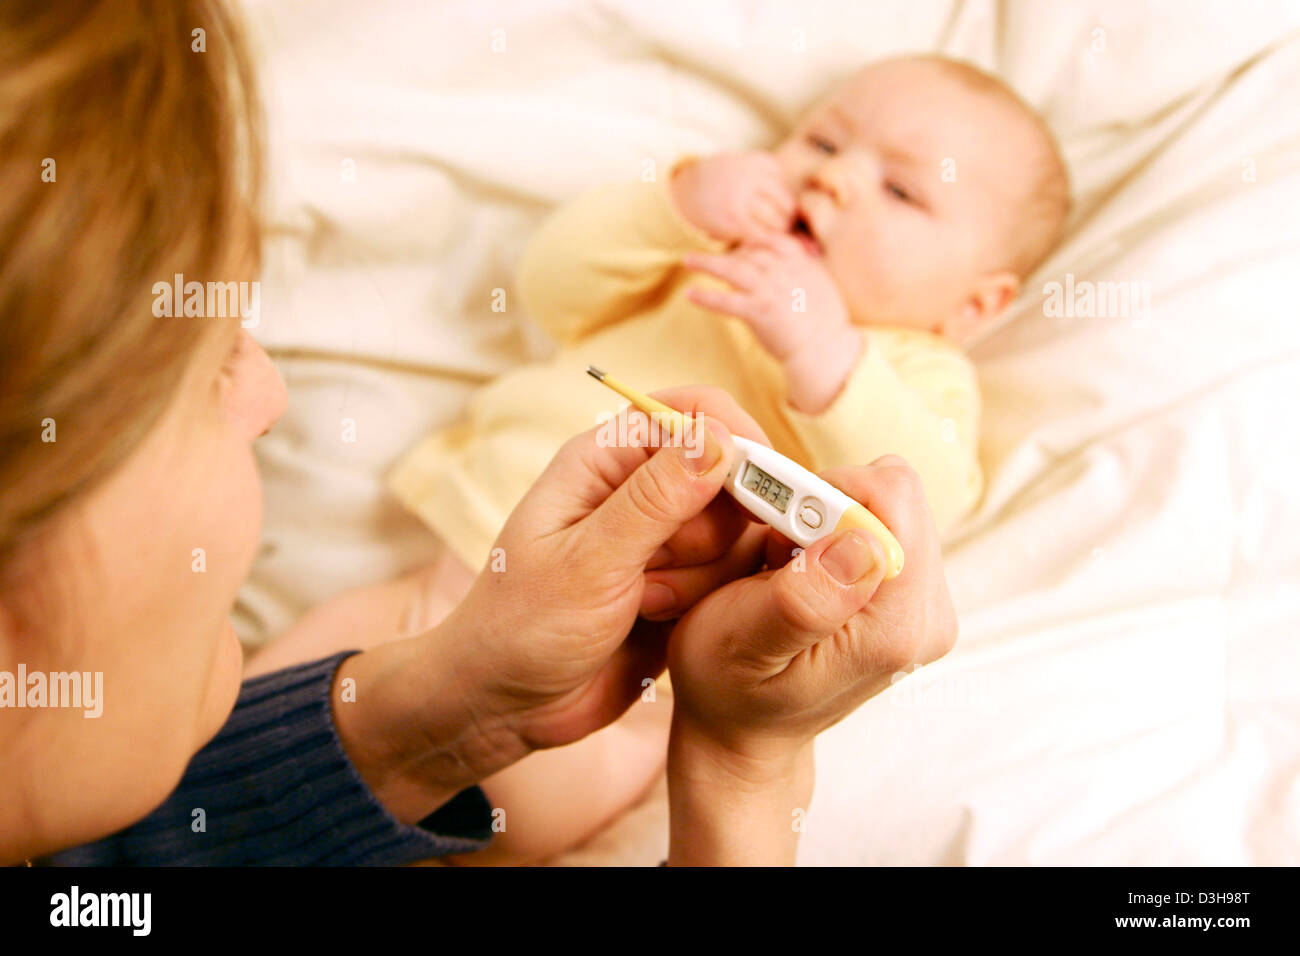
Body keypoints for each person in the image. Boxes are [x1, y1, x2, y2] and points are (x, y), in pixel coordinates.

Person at [0, 0, 958, 867]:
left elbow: (928, 480)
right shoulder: (699, 261)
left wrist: (827, 356)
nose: (269, 394)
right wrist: (745, 779)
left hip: (612, 653)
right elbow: (558, 285)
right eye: (201, 363)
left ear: (976, 301)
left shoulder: (915, 364)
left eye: (905, 193)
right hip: (457, 563)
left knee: (530, 801)